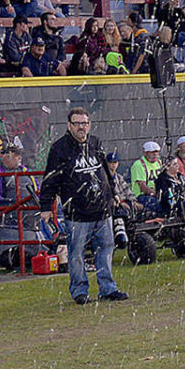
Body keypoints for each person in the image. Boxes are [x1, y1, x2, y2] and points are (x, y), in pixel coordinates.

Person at [39, 108, 127, 304]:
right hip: (76, 212)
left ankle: (108, 289)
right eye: (77, 123)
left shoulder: (95, 143)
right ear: (69, 125)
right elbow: (50, 180)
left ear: (89, 124)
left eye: (84, 123)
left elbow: (105, 172)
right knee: (76, 253)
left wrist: (113, 194)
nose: (81, 127)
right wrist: (46, 206)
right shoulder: (59, 149)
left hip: (102, 209)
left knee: (106, 249)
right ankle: (79, 291)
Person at [129, 141, 163, 218]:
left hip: (157, 193)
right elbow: (142, 186)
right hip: (141, 195)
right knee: (156, 204)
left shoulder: (159, 163)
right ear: (145, 153)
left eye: (156, 152)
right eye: (152, 152)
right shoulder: (139, 165)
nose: (155, 154)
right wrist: (155, 193)